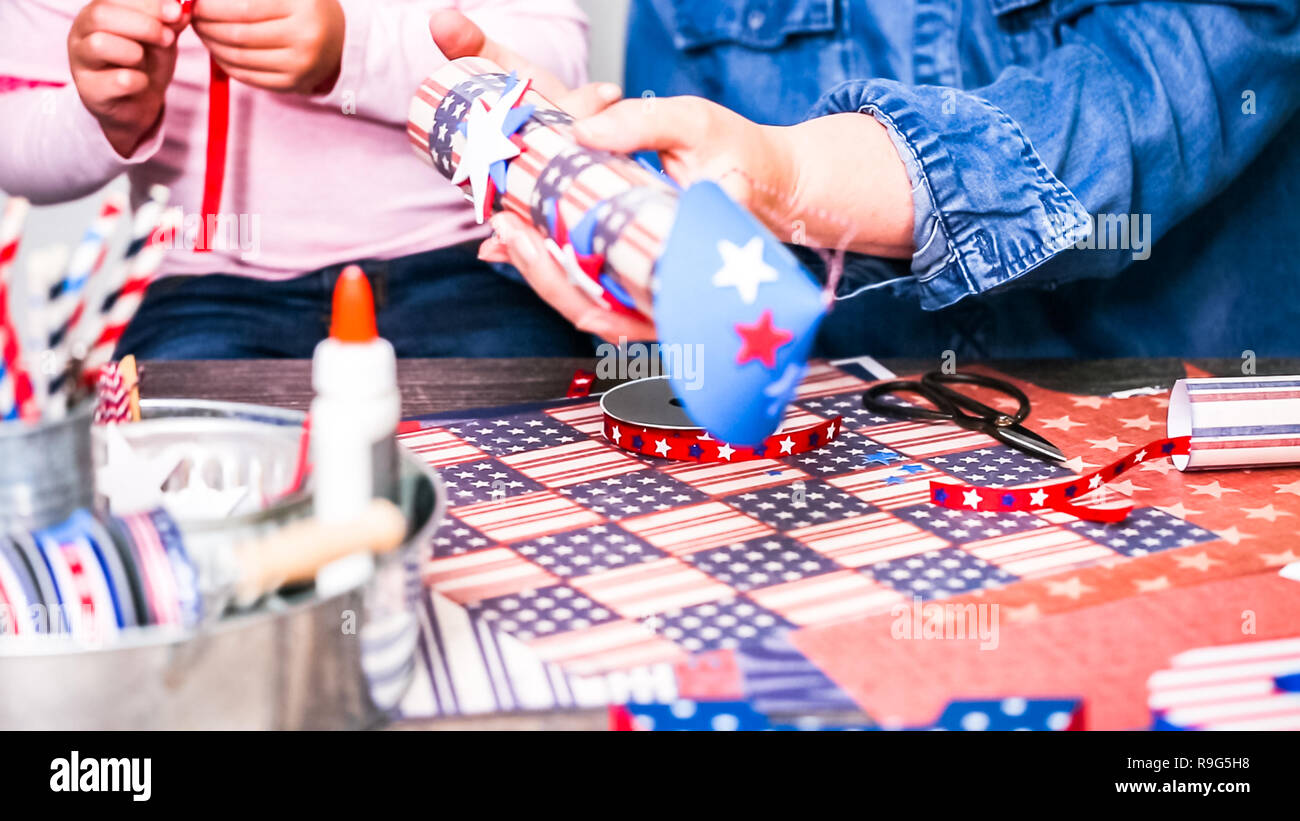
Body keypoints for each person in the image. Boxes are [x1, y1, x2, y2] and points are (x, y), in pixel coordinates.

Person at [467, 1, 1300, 358]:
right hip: (842, 467)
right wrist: (636, 230)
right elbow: (722, 219)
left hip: (1167, 426)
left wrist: (797, 177)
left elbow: (1193, 67)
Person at [0, 0, 613, 359]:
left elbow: (560, 75)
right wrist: (105, 115)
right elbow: (16, 146)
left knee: (542, 476)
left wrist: (352, 53)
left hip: (468, 262)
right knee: (183, 532)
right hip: (206, 292)